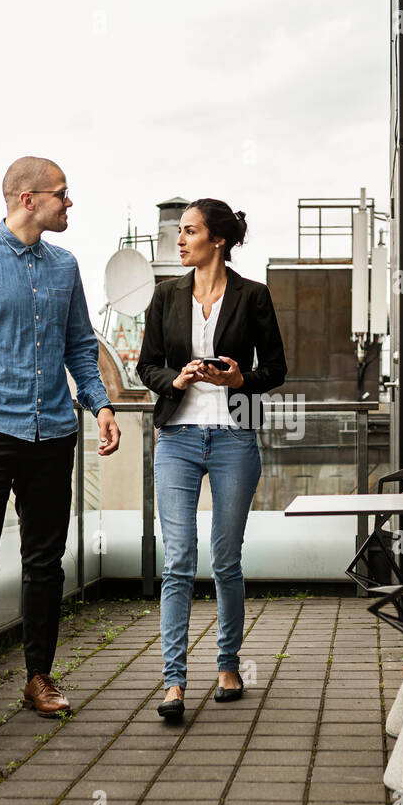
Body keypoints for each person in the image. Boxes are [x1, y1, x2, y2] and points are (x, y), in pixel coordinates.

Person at [0, 156, 121, 735]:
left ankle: (39, 678)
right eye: (63, 194)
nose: (69, 204)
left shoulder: (66, 266)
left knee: (44, 564)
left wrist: (101, 406)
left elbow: (81, 347)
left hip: (53, 434)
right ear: (28, 198)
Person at [136, 199, 287, 721]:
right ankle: (173, 681)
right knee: (177, 561)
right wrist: (176, 379)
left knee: (225, 559)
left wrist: (238, 378)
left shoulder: (254, 296)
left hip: (233, 439)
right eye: (179, 231)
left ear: (217, 240)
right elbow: (146, 367)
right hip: (176, 437)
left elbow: (276, 369)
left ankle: (228, 665)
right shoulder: (164, 295)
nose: (180, 240)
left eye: (190, 231)